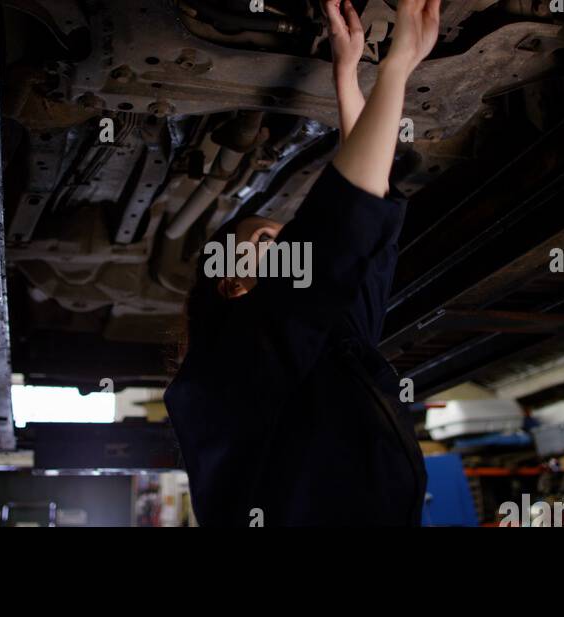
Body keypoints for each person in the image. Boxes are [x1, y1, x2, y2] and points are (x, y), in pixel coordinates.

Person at [164, 0, 441, 526]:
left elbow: (357, 221)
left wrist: (351, 76)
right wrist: (394, 67)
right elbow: (350, 227)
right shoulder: (240, 362)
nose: (292, 244)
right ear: (232, 285)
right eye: (276, 238)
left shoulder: (237, 364)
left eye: (276, 238)